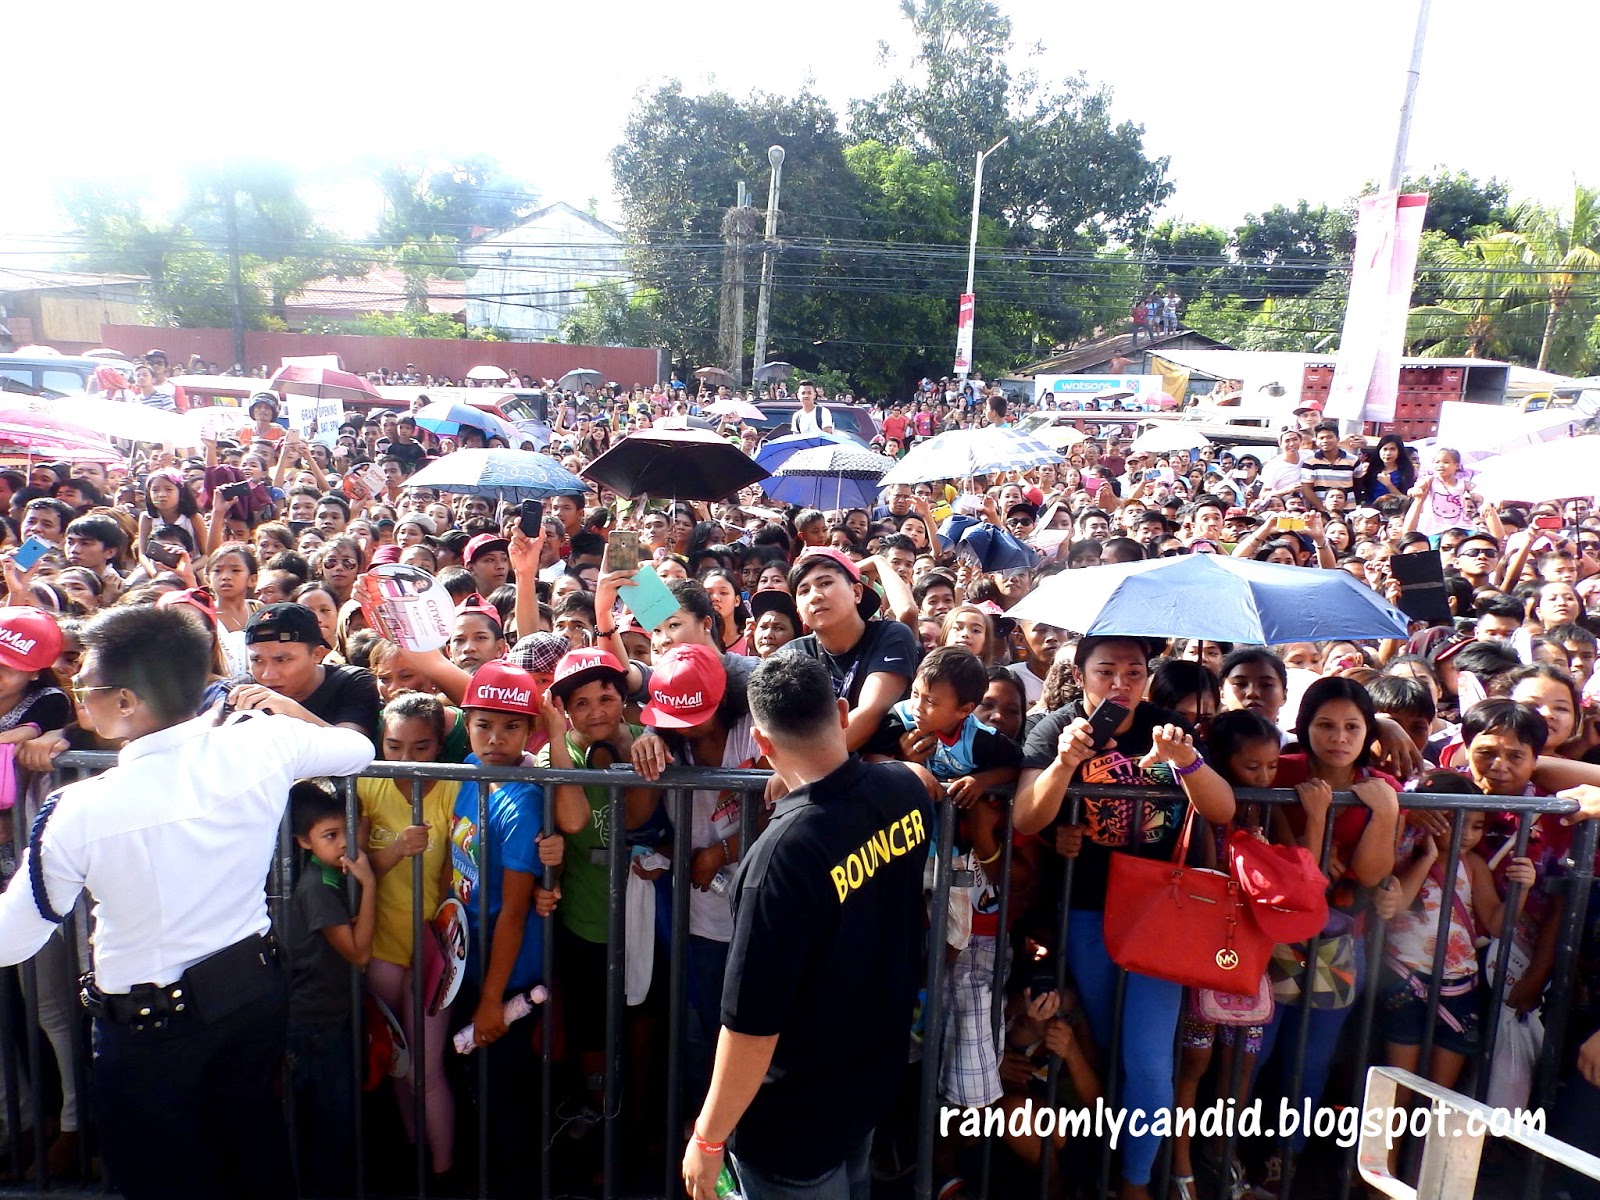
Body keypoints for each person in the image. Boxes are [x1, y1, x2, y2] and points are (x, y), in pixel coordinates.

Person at [0, 604, 374, 1200]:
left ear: (126, 702)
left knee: (164, 1179)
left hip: (149, 1032)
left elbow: (14, 938)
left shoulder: (82, 809)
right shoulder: (263, 745)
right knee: (254, 1161)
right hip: (252, 999)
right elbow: (356, 753)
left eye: (84, 685)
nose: (76, 696)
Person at [682, 654, 930, 1200]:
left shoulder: (779, 858)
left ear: (763, 746)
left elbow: (751, 1027)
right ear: (842, 712)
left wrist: (707, 1138)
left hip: (794, 1121)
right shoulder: (904, 791)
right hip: (869, 1080)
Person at [284, 781, 375, 1197]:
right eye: (330, 836)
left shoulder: (330, 873)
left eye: (347, 832)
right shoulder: (318, 887)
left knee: (333, 1123)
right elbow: (357, 953)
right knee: (331, 1126)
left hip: (325, 1015)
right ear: (303, 841)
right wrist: (370, 885)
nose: (343, 844)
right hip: (315, 1024)